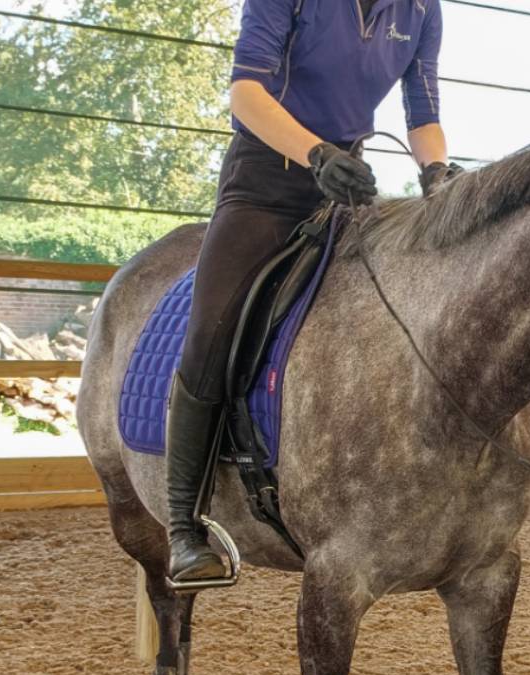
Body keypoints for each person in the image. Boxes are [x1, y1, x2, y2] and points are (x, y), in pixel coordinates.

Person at [166, 0, 460, 584]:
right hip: (265, 183)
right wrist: (316, 153)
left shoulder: (423, 9)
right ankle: (183, 525)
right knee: (214, 328)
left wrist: (436, 174)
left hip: (348, 186)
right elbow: (247, 92)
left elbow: (422, 110)